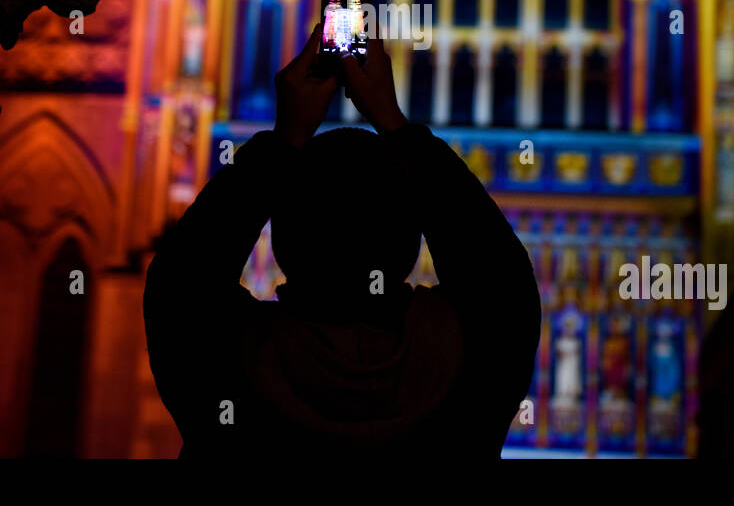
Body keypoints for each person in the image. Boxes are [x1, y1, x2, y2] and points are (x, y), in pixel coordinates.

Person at [143, 24, 541, 459]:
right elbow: (505, 279)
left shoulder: (234, 365)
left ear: (282, 244)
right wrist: (395, 125)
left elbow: (179, 282)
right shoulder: (466, 368)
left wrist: (286, 138)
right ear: (411, 243)